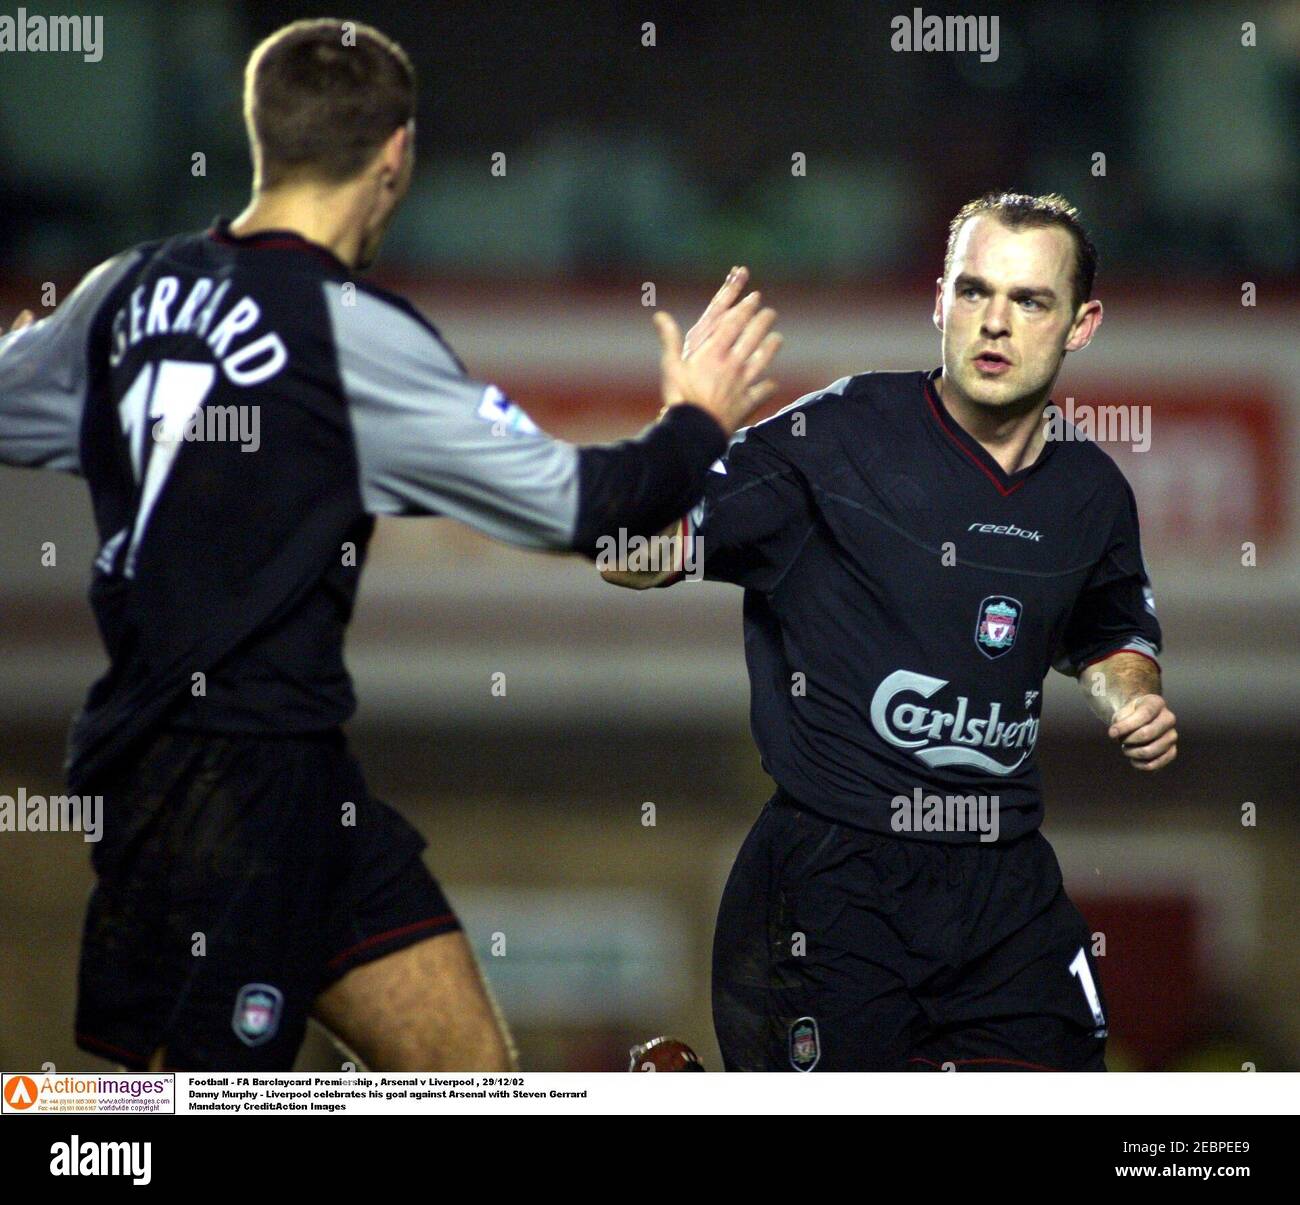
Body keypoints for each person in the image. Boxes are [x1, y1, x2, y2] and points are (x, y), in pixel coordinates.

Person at [0, 17, 781, 1073]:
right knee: (203, 1112)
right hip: (224, 792)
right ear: (396, 155)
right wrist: (697, 418)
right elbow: (578, 506)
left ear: (261, 133)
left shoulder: (122, 292)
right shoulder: (351, 331)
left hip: (293, 777)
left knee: (475, 1084)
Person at [601, 192, 1177, 1071]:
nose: (996, 322)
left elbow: (1108, 633)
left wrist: (1130, 696)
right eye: (974, 291)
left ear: (1081, 323)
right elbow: (625, 550)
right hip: (834, 880)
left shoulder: (1092, 493)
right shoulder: (834, 438)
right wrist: (684, 436)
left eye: (1030, 301)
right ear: (937, 300)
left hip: (1004, 883)